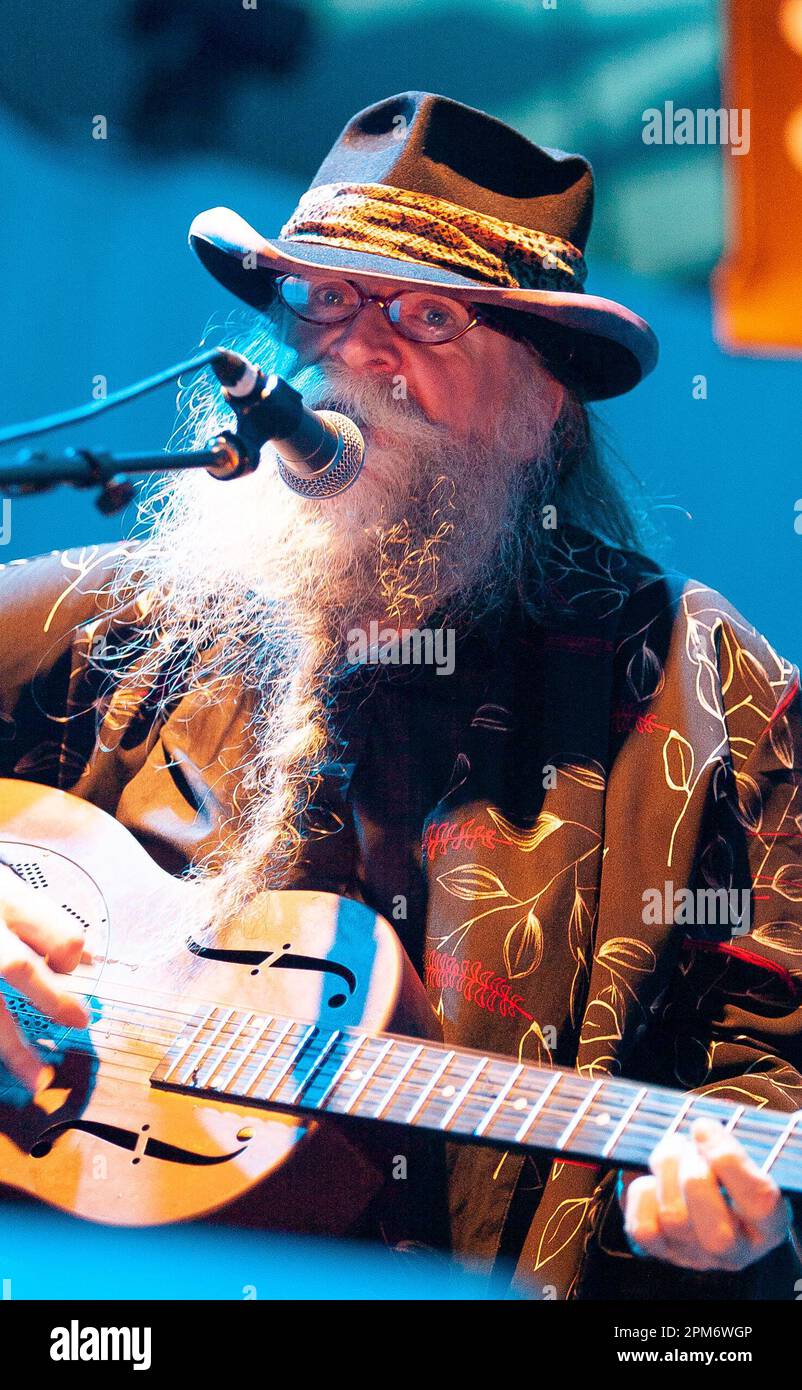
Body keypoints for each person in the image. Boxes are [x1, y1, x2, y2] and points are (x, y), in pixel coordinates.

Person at [1, 90, 801, 1300]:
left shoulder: (700, 689)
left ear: (544, 406)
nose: (359, 353)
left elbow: (768, 1062)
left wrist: (728, 1245)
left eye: (428, 316)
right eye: (324, 297)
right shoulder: (107, 624)